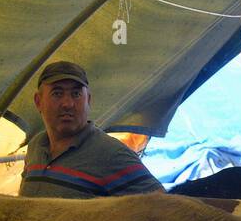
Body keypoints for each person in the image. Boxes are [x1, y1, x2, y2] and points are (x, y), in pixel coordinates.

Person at [19, 61, 163, 198]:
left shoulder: (111, 153)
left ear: (88, 100)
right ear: (38, 102)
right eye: (57, 93)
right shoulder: (36, 146)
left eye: (76, 94)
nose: (68, 104)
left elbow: (163, 204)